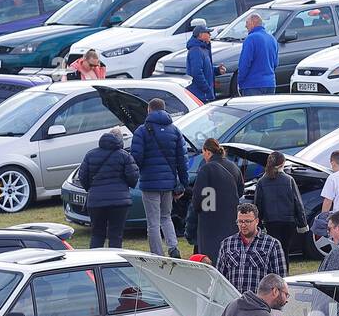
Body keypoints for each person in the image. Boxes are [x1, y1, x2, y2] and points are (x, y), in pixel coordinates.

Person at [131, 97, 188, 258]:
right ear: (164, 110)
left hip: (149, 183)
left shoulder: (142, 131)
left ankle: (157, 254)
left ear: (149, 110)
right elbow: (182, 160)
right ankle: (173, 247)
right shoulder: (175, 130)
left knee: (153, 222)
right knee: (166, 217)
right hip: (169, 183)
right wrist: (182, 183)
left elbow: (137, 158)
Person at [78, 126, 139, 249]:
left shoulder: (90, 155)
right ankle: (113, 264)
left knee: (97, 234)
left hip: (96, 201)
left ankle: (93, 263)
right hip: (119, 202)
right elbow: (133, 177)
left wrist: (91, 188)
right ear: (119, 141)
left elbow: (82, 176)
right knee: (116, 235)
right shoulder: (124, 156)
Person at [187, 137, 242, 258]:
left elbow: (197, 200)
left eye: (203, 153)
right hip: (230, 220)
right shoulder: (234, 167)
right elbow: (240, 192)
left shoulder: (206, 169)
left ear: (207, 152)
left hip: (210, 223)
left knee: (211, 258)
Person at [216, 201, 287, 293]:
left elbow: (281, 279)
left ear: (257, 221)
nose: (243, 225)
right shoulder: (227, 244)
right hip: (234, 302)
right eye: (240, 221)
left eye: (248, 221)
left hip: (259, 303)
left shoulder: (272, 244)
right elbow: (219, 278)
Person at [254, 150, 306, 255]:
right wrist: (302, 223)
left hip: (270, 222)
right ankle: (285, 271)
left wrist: (258, 224)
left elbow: (258, 205)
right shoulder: (289, 180)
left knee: (272, 251)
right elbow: (298, 203)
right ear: (283, 163)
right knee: (285, 250)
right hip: (288, 222)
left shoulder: (261, 182)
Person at [237, 13, 278, 96]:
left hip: (252, 85)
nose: (245, 26)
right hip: (270, 83)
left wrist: (240, 81)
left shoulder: (251, 39)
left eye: (247, 23)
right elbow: (275, 63)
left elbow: (244, 63)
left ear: (253, 23)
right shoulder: (272, 39)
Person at [185, 20, 220, 103]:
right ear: (200, 35)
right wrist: (207, 89)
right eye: (207, 33)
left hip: (204, 94)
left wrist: (217, 70)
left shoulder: (203, 48)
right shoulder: (196, 50)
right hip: (201, 96)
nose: (210, 35)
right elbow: (196, 73)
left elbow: (205, 69)